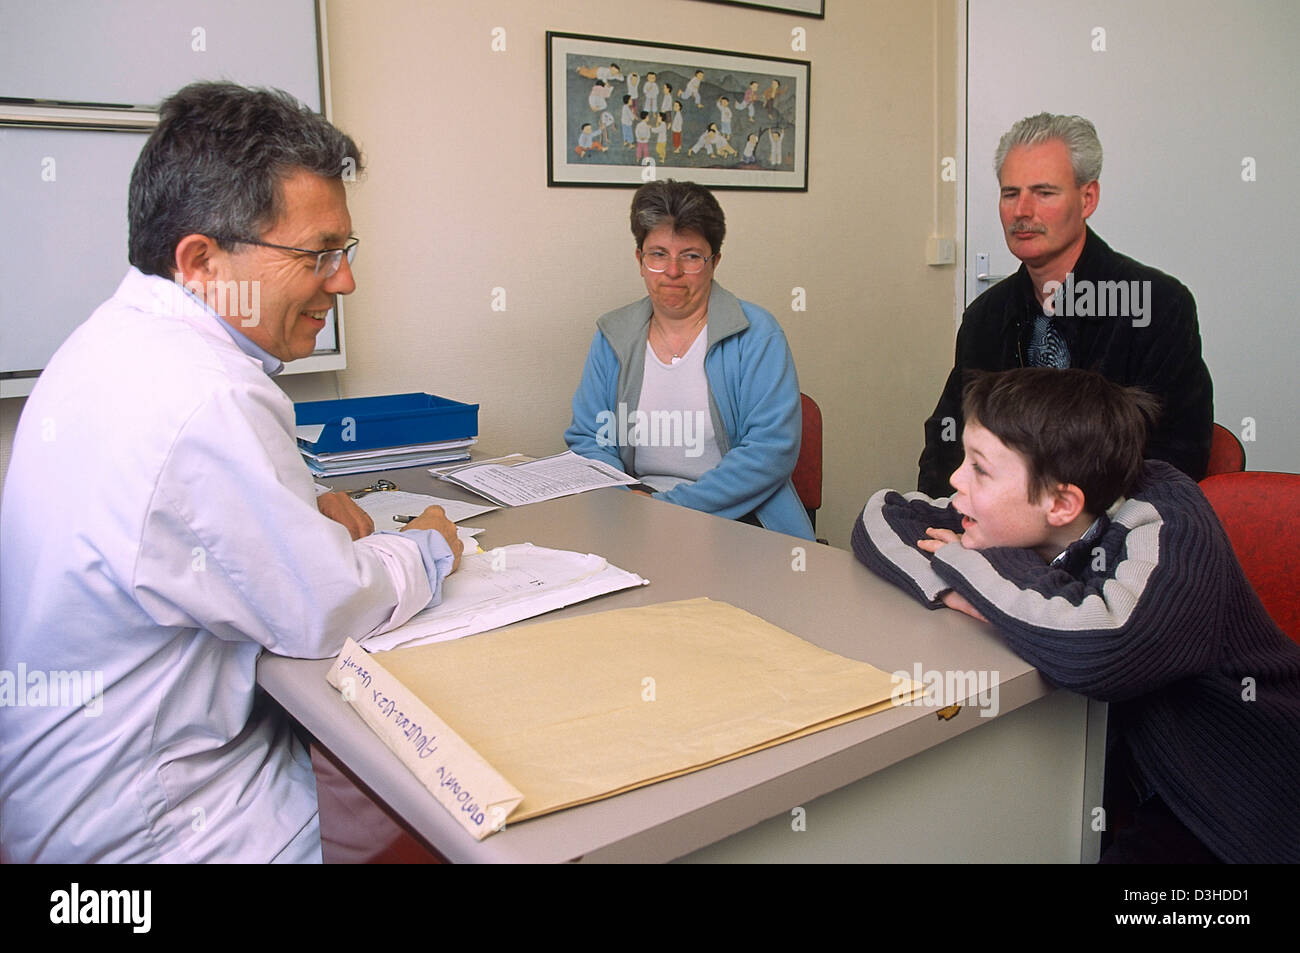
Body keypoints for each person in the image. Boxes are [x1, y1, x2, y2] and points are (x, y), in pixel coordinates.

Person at [0, 82, 464, 863]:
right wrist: (427, 545)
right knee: (442, 820)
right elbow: (331, 610)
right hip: (152, 830)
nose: (343, 281)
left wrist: (299, 510)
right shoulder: (209, 394)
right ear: (201, 260)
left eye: (344, 252)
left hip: (65, 791)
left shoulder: (110, 344)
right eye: (319, 254)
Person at [853, 368, 1300, 863]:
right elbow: (881, 515)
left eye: (979, 468)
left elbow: (1102, 648)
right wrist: (958, 585)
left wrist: (972, 569)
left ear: (1062, 503)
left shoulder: (1167, 524)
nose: (956, 479)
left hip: (1244, 793)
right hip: (1118, 759)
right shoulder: (1034, 504)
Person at [917, 113, 1213, 498]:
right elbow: (948, 438)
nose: (1022, 210)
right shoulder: (985, 318)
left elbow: (1174, 460)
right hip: (992, 533)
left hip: (1109, 535)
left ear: (1087, 198)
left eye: (1043, 193)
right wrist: (943, 519)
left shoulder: (1155, 306)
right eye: (1010, 193)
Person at [565, 180, 813, 540]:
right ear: (640, 260)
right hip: (634, 514)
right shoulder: (613, 335)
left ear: (715, 262)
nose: (673, 272)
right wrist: (627, 502)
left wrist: (670, 509)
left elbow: (769, 452)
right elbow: (589, 439)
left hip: (737, 521)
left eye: (691, 256)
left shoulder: (758, 334)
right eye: (658, 254)